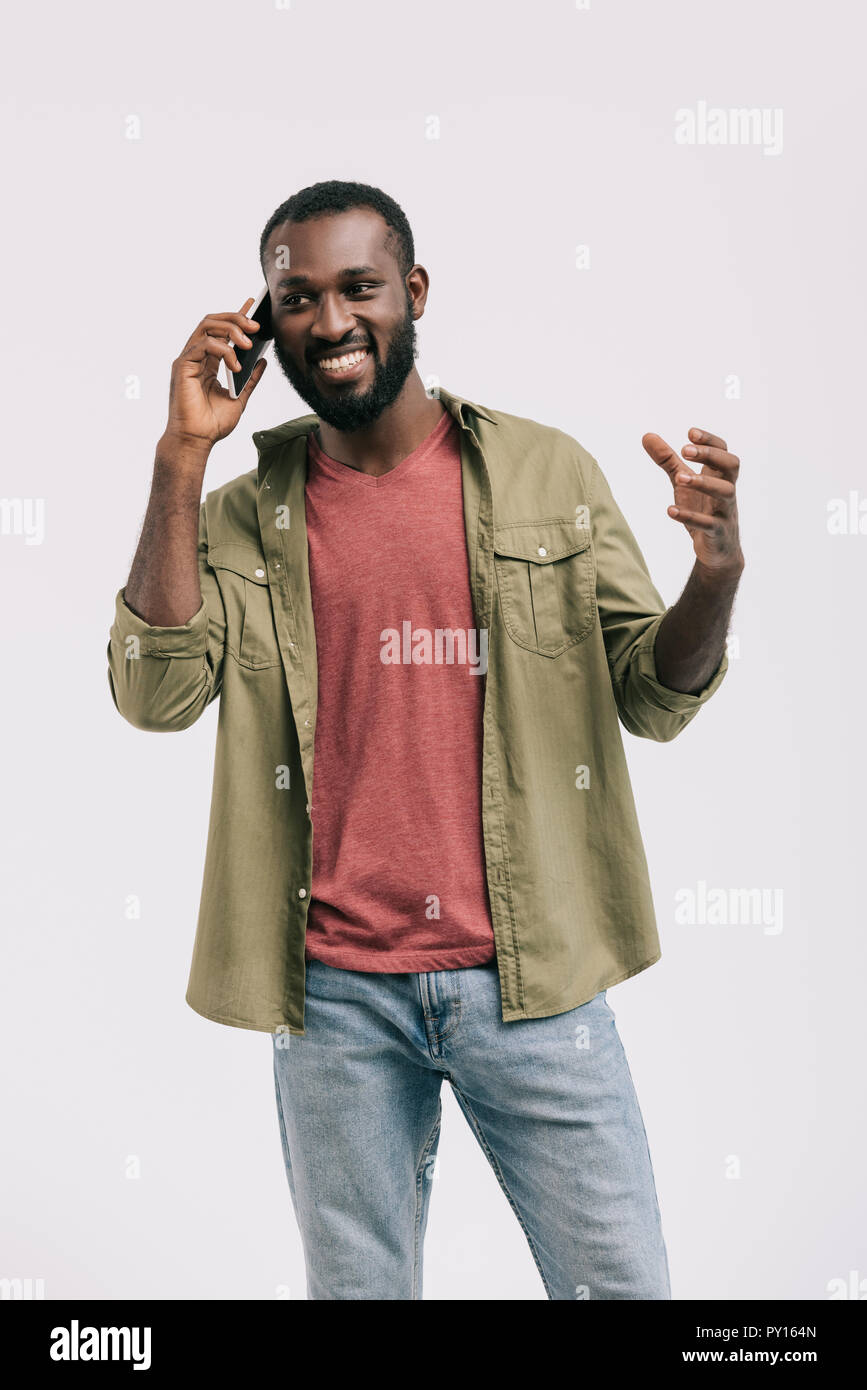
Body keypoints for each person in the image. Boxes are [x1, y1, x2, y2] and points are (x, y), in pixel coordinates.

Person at [107, 179, 744, 1300]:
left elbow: (654, 690)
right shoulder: (241, 515)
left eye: (359, 287)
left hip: (535, 982)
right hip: (337, 998)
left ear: (414, 290)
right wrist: (180, 458)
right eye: (295, 297)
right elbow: (154, 697)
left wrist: (716, 578)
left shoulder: (548, 475)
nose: (333, 320)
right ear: (265, 324)